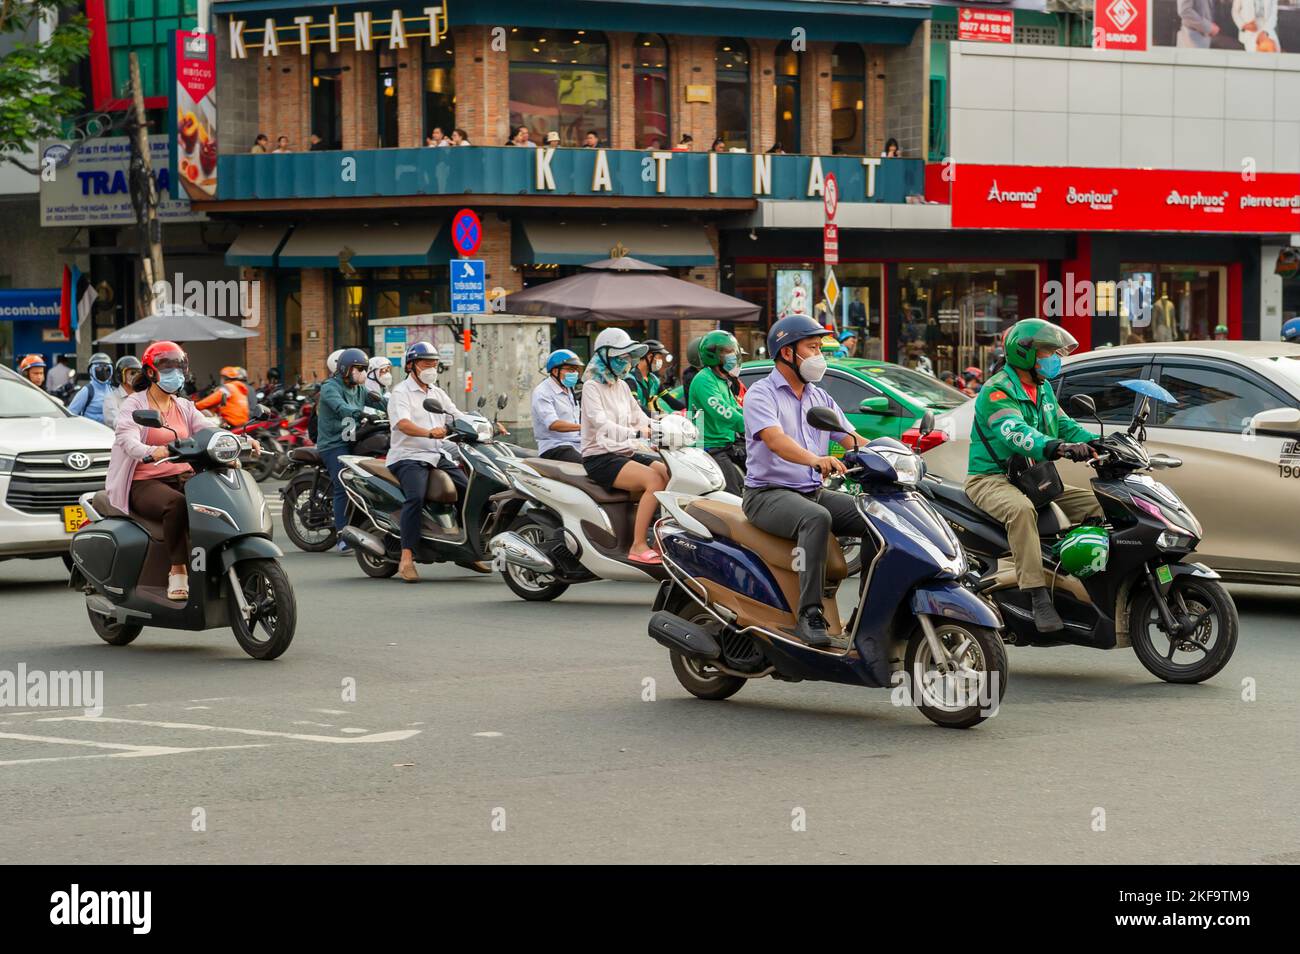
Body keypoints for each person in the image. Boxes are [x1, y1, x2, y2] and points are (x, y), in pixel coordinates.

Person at [965, 319, 1103, 633]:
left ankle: (1079, 574)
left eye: (1056, 352)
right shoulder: (997, 390)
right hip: (990, 478)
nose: (1054, 357)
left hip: (1031, 476)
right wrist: (1059, 447)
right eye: (1048, 351)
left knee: (1098, 503)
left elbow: (1065, 424)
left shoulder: (1042, 388)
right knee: (1020, 510)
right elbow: (1015, 433)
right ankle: (1036, 594)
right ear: (1025, 352)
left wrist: (1098, 441)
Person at [740, 315, 869, 648]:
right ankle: (809, 615)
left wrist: (897, 456)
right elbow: (774, 440)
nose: (819, 356)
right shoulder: (761, 394)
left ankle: (869, 610)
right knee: (816, 519)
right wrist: (814, 459)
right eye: (812, 348)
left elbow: (851, 438)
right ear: (787, 353)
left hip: (811, 491)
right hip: (767, 495)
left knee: (876, 515)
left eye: (819, 348)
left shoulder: (819, 398)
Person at [104, 342, 207, 601]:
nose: (176, 374)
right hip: (144, 481)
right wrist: (151, 451)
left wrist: (238, 441)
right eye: (168, 368)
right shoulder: (134, 404)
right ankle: (178, 570)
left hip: (183, 476)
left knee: (213, 503)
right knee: (176, 505)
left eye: (179, 368)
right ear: (151, 373)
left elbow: (208, 428)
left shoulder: (183, 406)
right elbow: (126, 438)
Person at [580, 328, 668, 565]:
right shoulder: (591, 387)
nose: (626, 362)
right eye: (620, 357)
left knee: (669, 473)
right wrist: (638, 433)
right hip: (600, 457)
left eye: (628, 357)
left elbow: (639, 417)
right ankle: (638, 545)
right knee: (654, 480)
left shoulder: (620, 386)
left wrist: (668, 425)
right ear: (605, 356)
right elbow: (601, 424)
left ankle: (661, 540)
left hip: (624, 451)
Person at [385, 341, 472, 582]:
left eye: (434, 364)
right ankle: (406, 557)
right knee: (415, 497)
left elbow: (456, 415)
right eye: (426, 364)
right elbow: (402, 424)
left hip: (437, 455)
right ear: (411, 366)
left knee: (468, 489)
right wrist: (428, 432)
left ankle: (467, 548)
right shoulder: (401, 393)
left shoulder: (436, 392)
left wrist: (484, 425)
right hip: (408, 456)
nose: (432, 368)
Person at [317, 348, 383, 552]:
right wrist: (362, 413)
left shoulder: (360, 389)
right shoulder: (330, 387)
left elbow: (382, 402)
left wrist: (402, 408)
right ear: (345, 369)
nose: (362, 373)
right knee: (342, 485)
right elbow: (340, 407)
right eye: (358, 368)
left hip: (354, 441)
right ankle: (342, 536)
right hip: (333, 444)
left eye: (365, 369)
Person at [689, 330, 746, 494]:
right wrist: (748, 425)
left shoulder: (722, 379)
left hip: (726, 443)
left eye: (732, 351)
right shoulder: (704, 379)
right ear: (713, 356)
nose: (732, 356)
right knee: (732, 493)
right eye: (727, 352)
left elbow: (736, 408)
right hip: (709, 446)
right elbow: (723, 412)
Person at [532, 349, 584, 463]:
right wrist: (584, 427)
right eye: (570, 370)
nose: (574, 373)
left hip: (577, 444)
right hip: (555, 446)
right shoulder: (543, 392)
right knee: (588, 466)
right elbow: (553, 424)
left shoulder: (568, 388)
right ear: (555, 371)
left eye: (575, 370)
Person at [68, 352, 115, 424]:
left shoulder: (111, 389)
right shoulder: (87, 390)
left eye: (106, 369)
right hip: (91, 431)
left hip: (108, 432)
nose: (103, 371)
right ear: (91, 371)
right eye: (98, 368)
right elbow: (71, 413)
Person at [627, 339, 670, 414]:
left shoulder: (654, 380)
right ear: (650, 357)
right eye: (659, 357)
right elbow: (636, 406)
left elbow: (671, 401)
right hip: (635, 423)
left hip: (650, 422)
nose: (661, 361)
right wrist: (657, 416)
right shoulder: (630, 379)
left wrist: (688, 411)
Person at [102, 355, 142, 429]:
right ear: (121, 375)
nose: (137, 376)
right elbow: (115, 422)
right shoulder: (111, 398)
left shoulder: (142, 396)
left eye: (139, 373)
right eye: (132, 373)